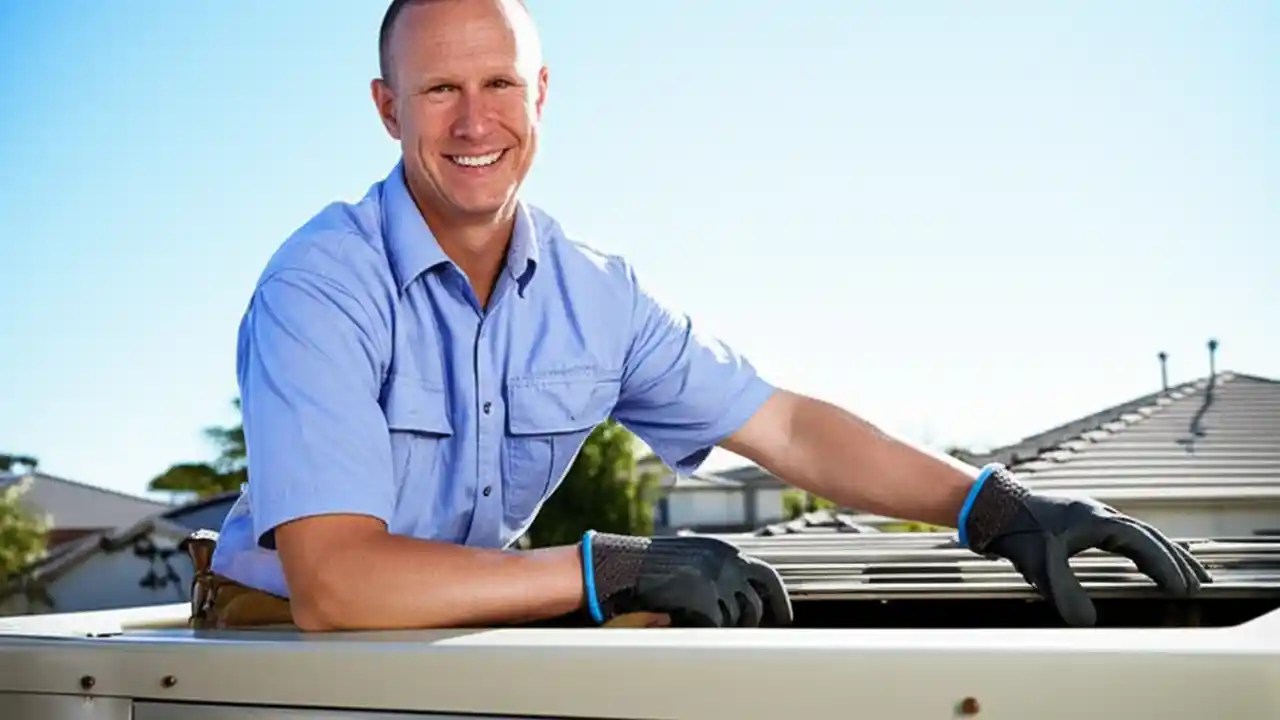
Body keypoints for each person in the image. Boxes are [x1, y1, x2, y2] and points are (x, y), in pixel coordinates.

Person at [200, 0, 1209, 632]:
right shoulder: (320, 285)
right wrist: (611, 569)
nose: (474, 122)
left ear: (540, 93)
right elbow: (335, 588)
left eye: (499, 82)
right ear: (386, 107)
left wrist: (993, 507)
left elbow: (783, 427)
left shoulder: (594, 295)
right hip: (277, 656)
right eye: (438, 91)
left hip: (453, 645)